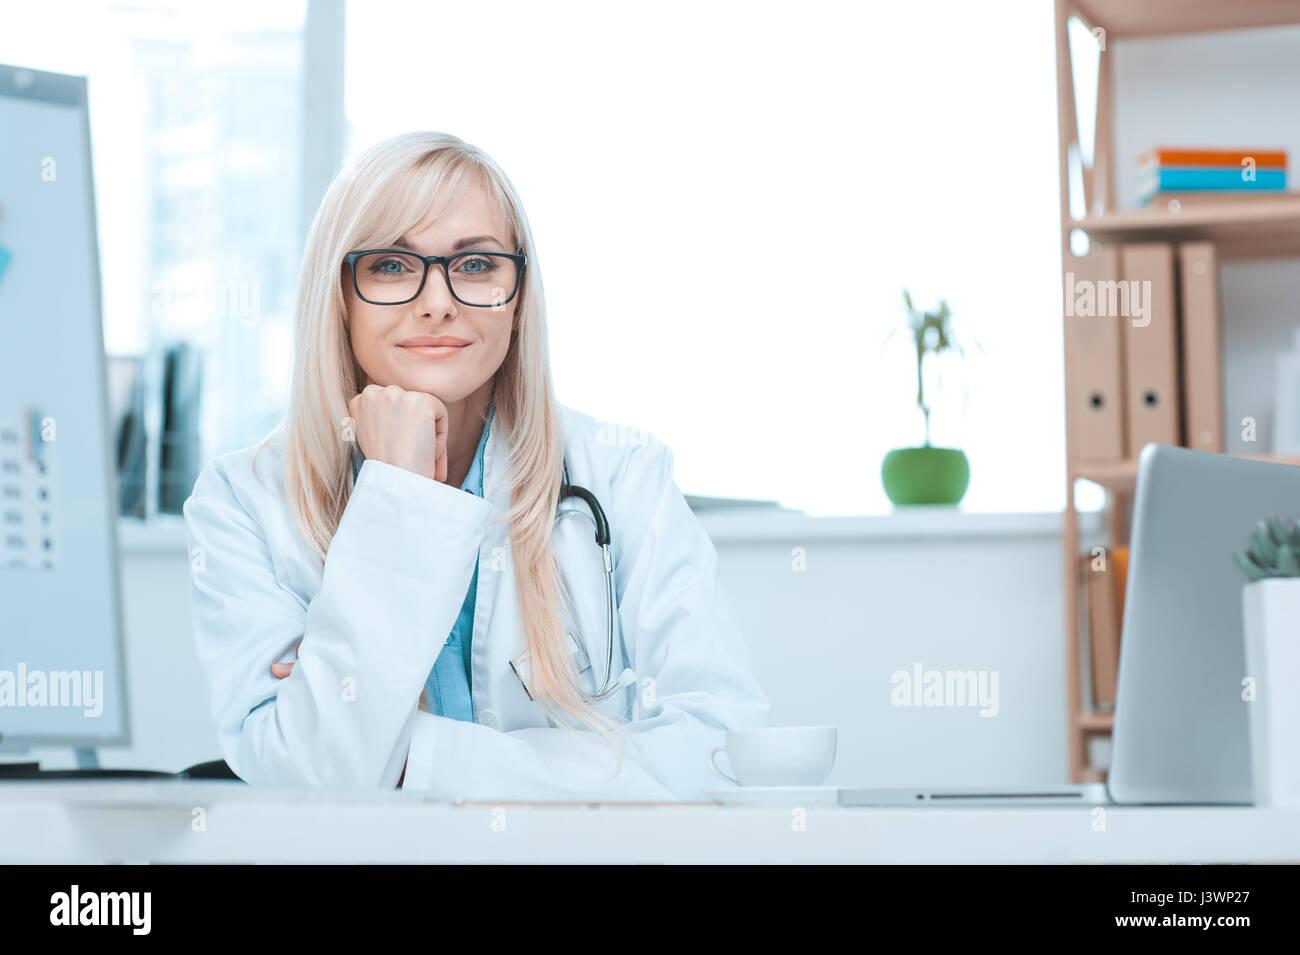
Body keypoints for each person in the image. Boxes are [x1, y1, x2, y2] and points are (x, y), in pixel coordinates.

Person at [182, 131, 771, 801]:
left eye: (476, 266)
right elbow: (314, 775)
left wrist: (416, 760)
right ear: (339, 296)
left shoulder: (626, 474)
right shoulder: (243, 502)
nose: (437, 301)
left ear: (518, 298)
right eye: (393, 266)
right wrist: (398, 499)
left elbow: (721, 753)